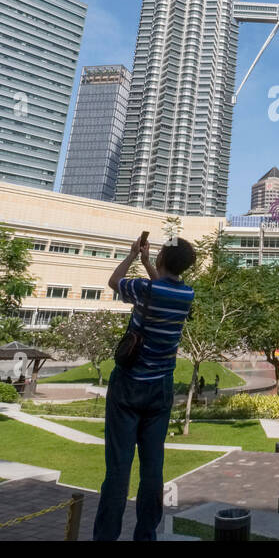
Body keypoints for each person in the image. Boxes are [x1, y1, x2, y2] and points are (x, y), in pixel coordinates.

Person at [92, 232, 197, 542]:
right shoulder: (186, 295)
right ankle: (146, 535)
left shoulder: (143, 288)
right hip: (160, 390)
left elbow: (114, 282)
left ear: (162, 259)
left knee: (118, 470)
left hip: (128, 387)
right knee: (153, 469)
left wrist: (132, 256)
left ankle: (106, 536)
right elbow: (162, 286)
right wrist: (150, 262)